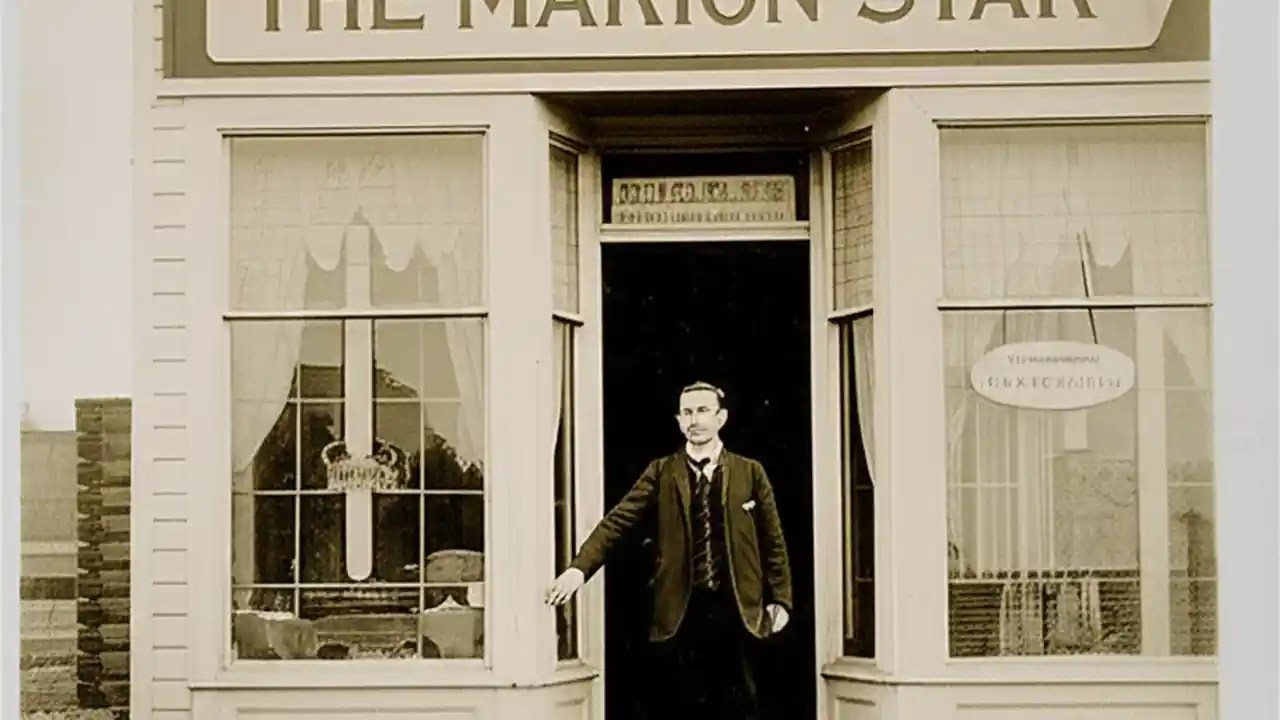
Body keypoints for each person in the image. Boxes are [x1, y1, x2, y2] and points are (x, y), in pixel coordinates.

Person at [544, 381, 793, 719]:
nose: (695, 420)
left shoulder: (751, 472)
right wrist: (578, 569)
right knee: (681, 704)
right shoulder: (661, 472)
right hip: (680, 612)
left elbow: (773, 542)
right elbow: (617, 523)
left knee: (741, 705)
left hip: (739, 610)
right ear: (678, 421)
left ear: (722, 418)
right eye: (687, 412)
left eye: (703, 411)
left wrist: (781, 599)